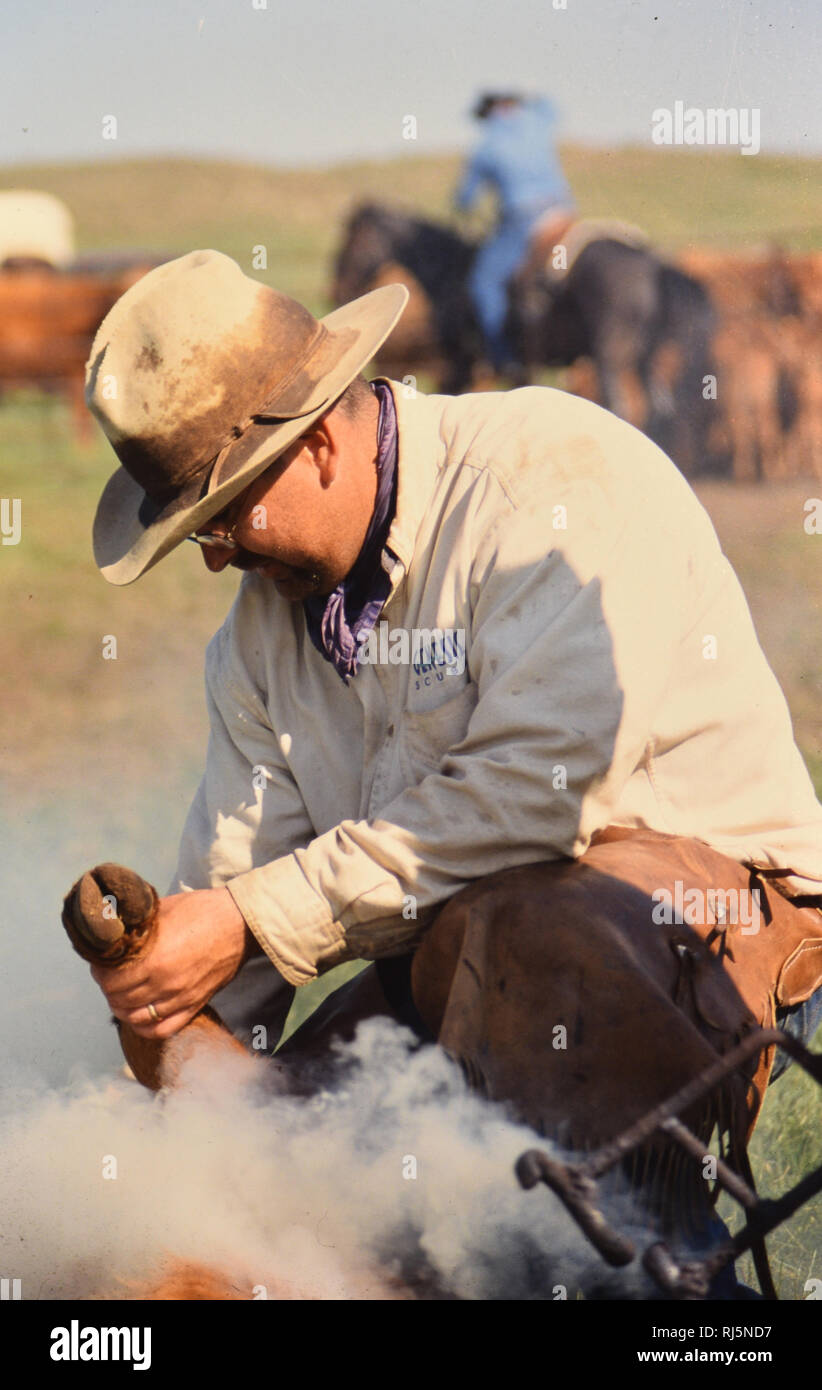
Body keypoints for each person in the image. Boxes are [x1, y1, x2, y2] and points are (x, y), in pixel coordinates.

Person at [83, 249, 822, 1295]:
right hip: (459, 958)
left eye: (224, 514)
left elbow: (536, 800)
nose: (214, 557)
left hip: (709, 919)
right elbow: (232, 913)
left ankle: (676, 1294)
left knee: (536, 933)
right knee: (286, 1137)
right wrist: (166, 1018)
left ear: (321, 441)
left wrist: (248, 918)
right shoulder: (255, 647)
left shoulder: (554, 482)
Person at [455, 92, 576, 373]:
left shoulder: (486, 146)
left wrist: (463, 206)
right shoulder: (537, 121)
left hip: (523, 220)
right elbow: (552, 106)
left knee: (484, 283)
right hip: (563, 210)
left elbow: (465, 199)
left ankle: (503, 357)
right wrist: (525, 101)